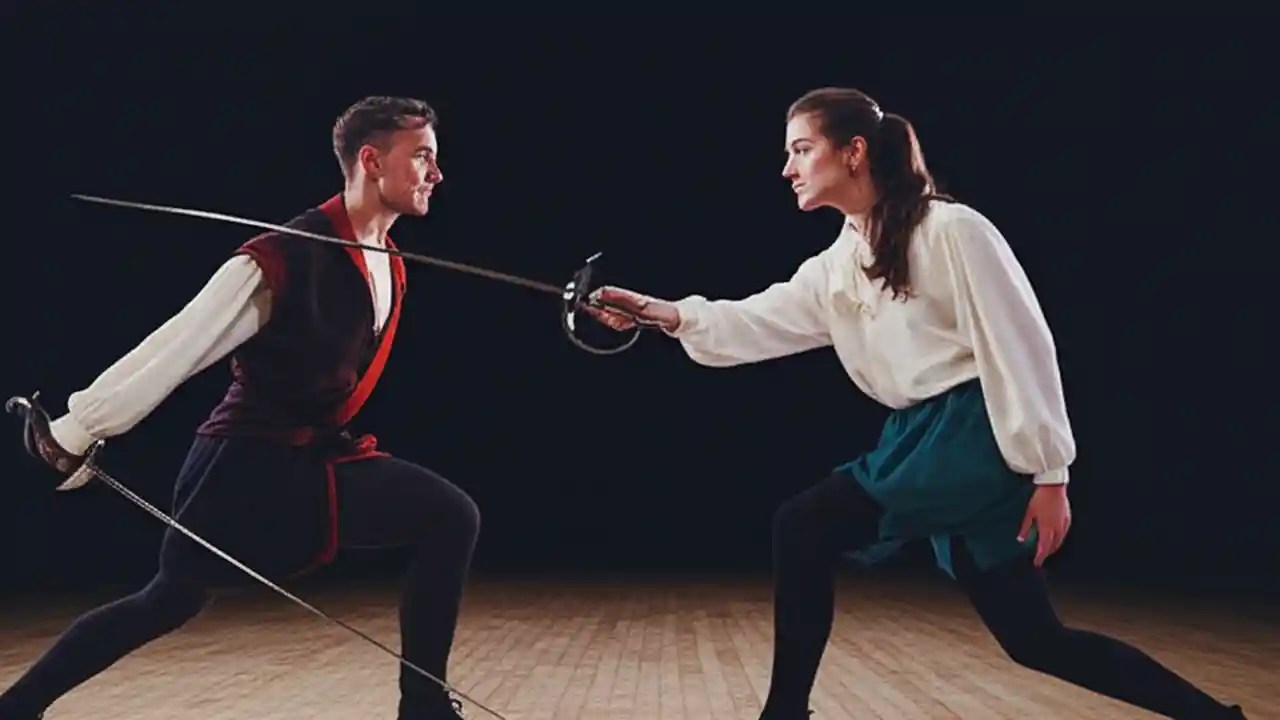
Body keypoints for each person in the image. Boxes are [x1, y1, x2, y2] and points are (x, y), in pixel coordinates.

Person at [585, 87, 1247, 719]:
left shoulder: (954, 230)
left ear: (853, 151)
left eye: (801, 149)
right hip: (923, 440)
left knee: (803, 526)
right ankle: (1215, 718)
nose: (787, 168)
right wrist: (661, 312)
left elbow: (1022, 345)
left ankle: (783, 714)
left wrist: (1052, 473)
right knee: (1035, 639)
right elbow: (757, 320)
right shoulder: (839, 263)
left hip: (976, 437)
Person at [0, 96, 480, 720]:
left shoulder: (389, 262)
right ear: (371, 160)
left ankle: (423, 706)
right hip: (244, 471)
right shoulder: (282, 257)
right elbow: (177, 347)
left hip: (307, 461)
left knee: (448, 517)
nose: (436, 173)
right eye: (422, 157)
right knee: (166, 601)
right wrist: (77, 428)